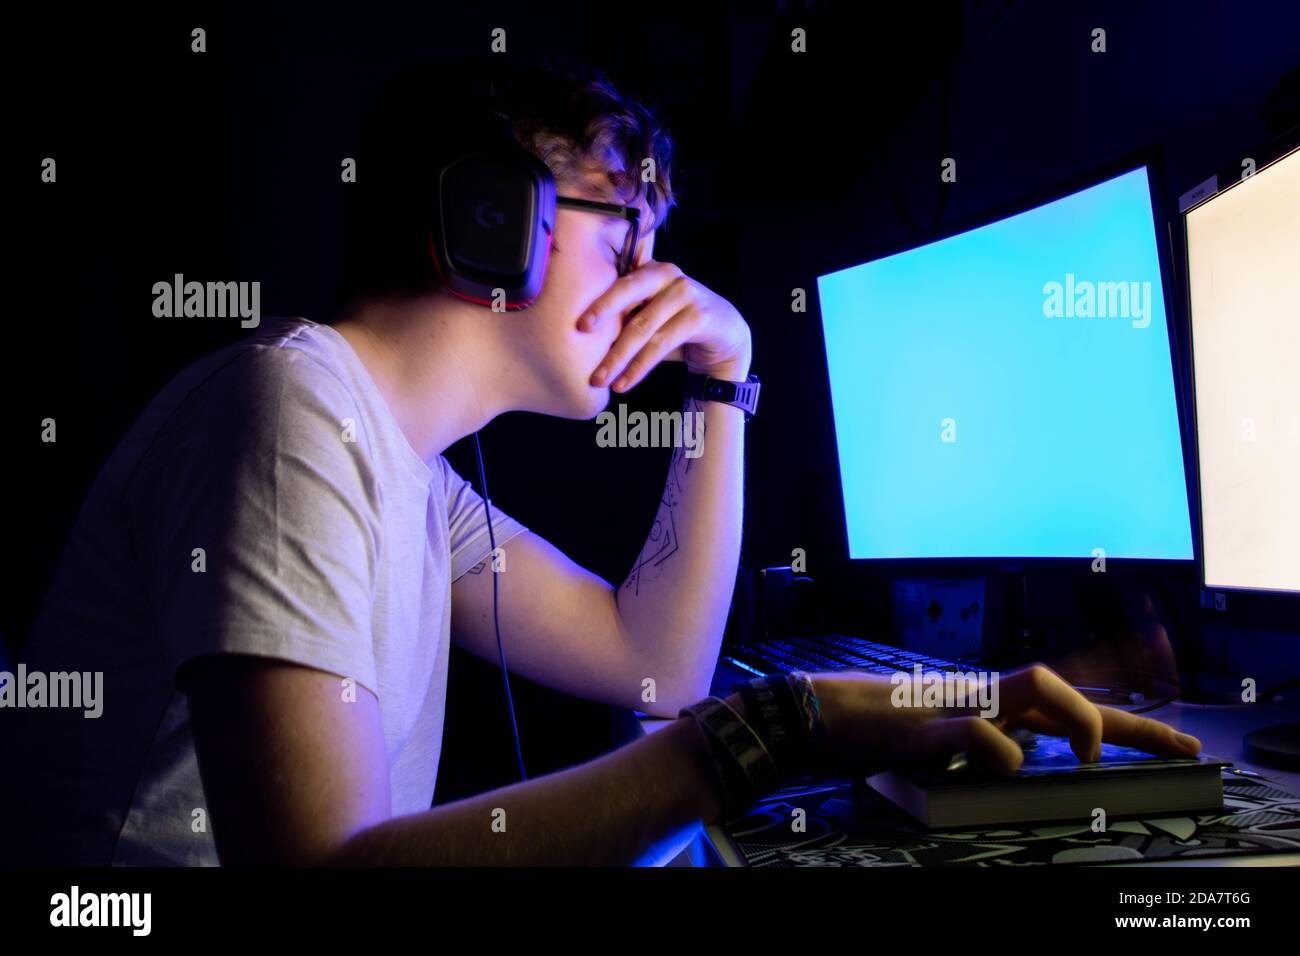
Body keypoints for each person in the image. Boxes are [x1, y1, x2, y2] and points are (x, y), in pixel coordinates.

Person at [0, 57, 1202, 867]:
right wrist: (777, 730)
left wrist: (725, 373)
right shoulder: (290, 408)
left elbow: (654, 661)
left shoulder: (407, 473)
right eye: (624, 225)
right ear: (486, 216)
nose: (655, 280)